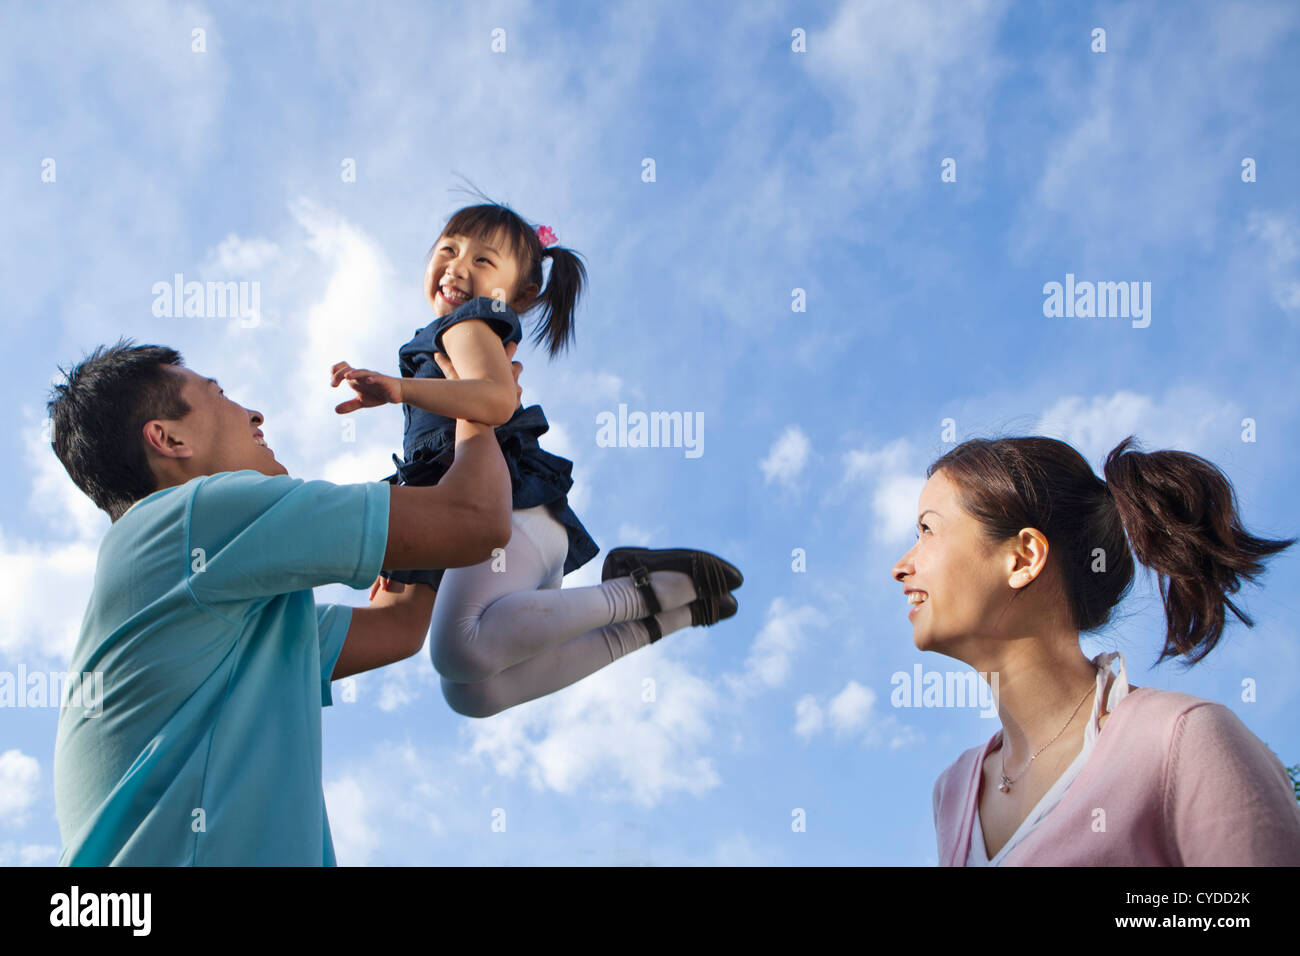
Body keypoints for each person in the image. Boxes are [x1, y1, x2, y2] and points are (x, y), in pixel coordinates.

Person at [47, 339, 516, 865]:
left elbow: (399, 625)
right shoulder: (195, 515)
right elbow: (478, 520)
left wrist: (437, 448)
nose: (253, 412)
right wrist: (472, 403)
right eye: (219, 394)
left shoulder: (224, 613)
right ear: (168, 437)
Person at [331, 197, 743, 718]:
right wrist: (408, 555)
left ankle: (641, 590)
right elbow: (440, 460)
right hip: (519, 530)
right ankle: (671, 612)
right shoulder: (449, 332)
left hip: (510, 511)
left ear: (519, 295)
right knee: (471, 693)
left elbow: (493, 400)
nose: (458, 266)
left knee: (461, 649)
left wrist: (398, 389)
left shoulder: (466, 325)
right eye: (449, 249)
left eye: (483, 261)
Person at [890, 434, 1300, 865]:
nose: (900, 567)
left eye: (928, 530)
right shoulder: (953, 793)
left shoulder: (1181, 741)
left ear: (1023, 558)